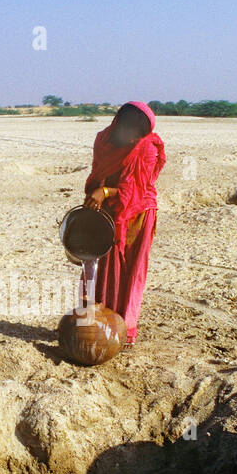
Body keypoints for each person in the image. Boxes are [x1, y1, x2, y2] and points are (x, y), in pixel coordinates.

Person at [82, 101, 166, 348]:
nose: (132, 138)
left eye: (138, 134)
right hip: (108, 211)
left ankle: (124, 330)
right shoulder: (104, 141)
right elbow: (98, 173)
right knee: (101, 267)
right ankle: (98, 323)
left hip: (137, 214)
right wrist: (98, 194)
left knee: (129, 271)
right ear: (118, 123)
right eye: (129, 130)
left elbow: (137, 190)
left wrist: (106, 191)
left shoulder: (147, 147)